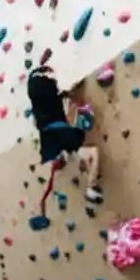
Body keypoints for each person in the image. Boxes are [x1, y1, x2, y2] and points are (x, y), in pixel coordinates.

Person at [27, 66, 102, 203]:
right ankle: (91, 185)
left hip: (57, 137)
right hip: (62, 135)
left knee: (86, 152)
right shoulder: (48, 103)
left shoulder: (41, 109)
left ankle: (91, 182)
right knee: (92, 152)